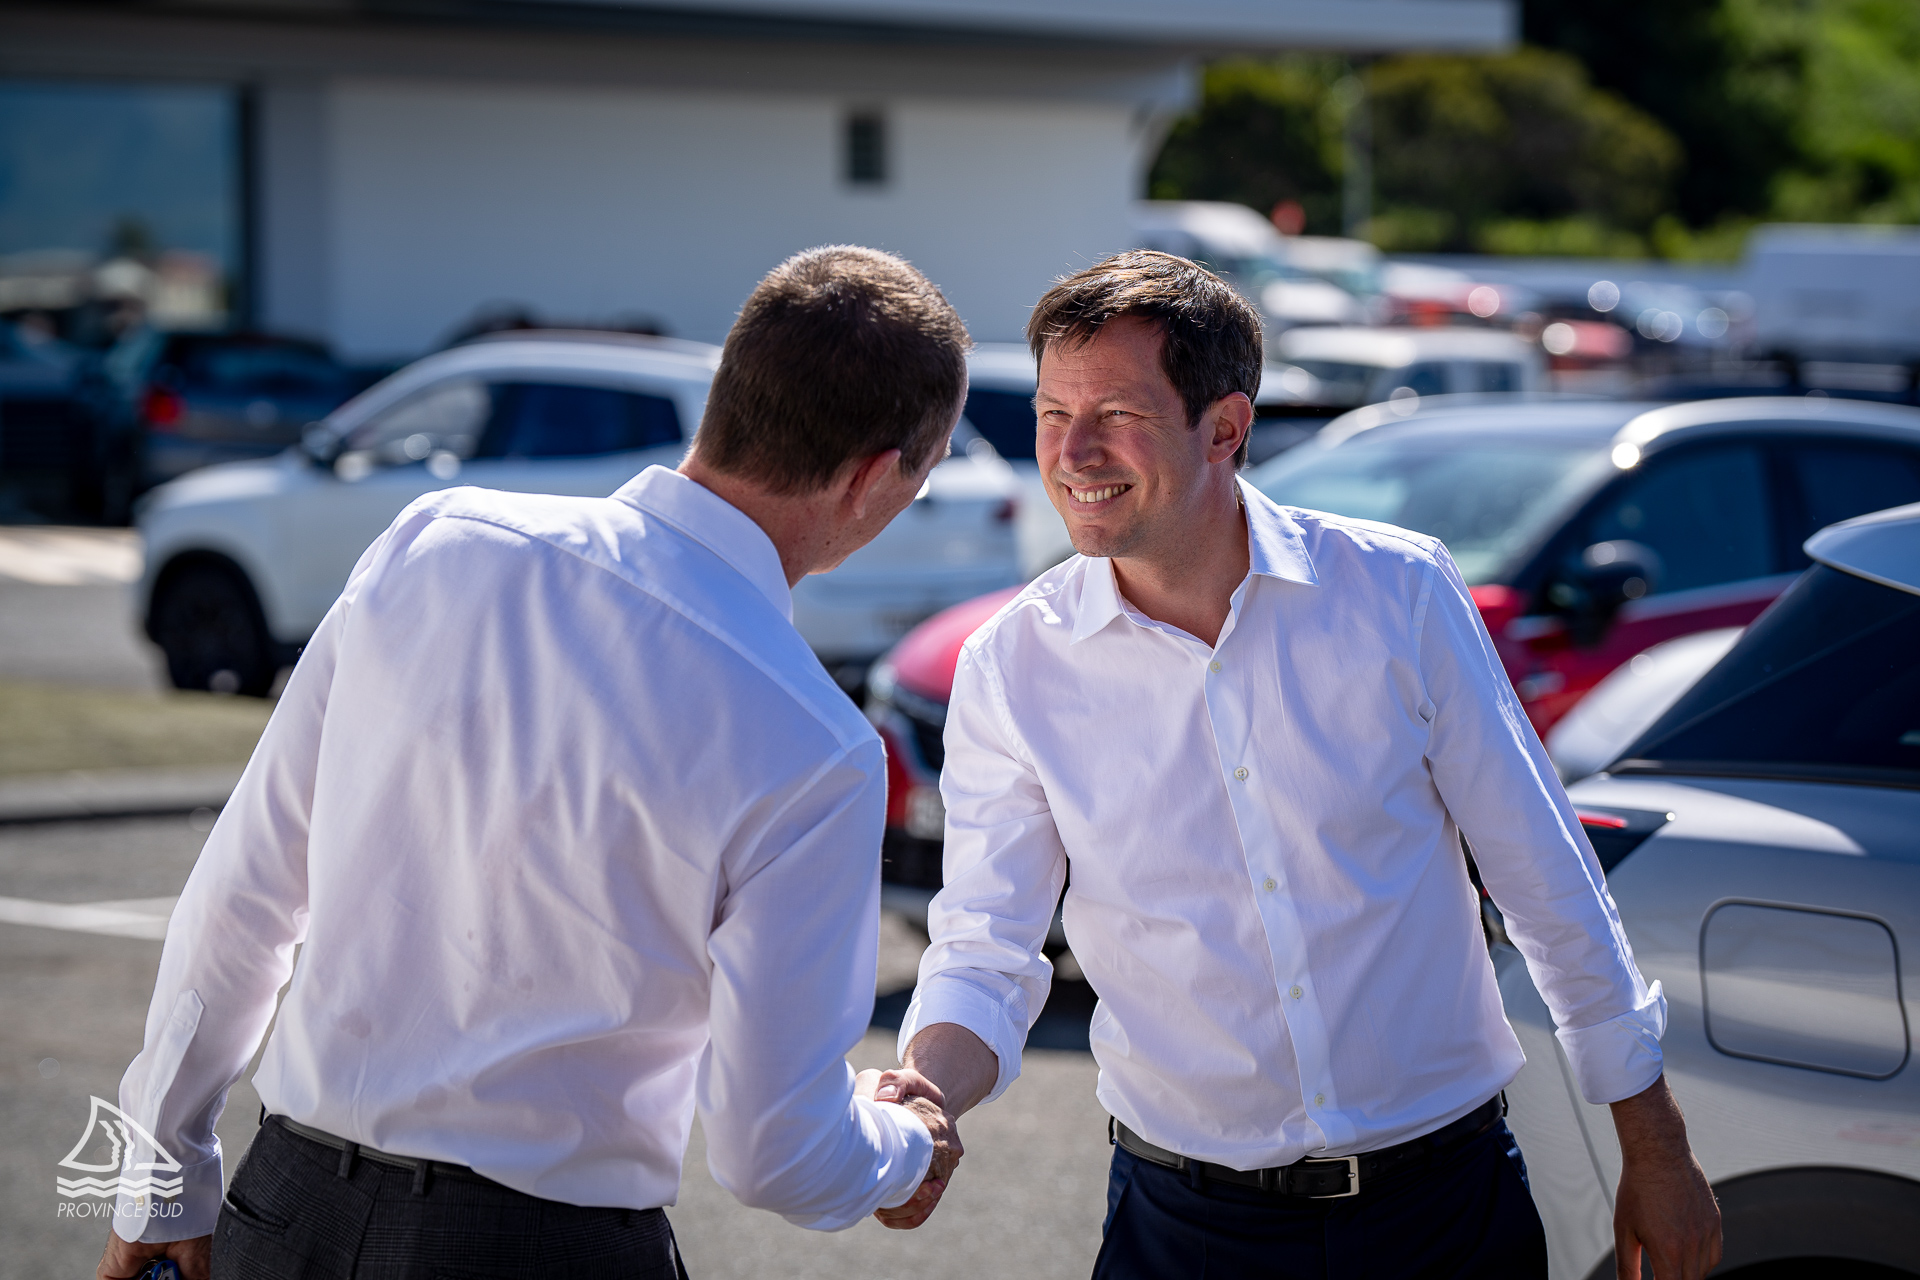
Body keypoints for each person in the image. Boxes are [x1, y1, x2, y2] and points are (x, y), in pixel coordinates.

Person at [98, 245, 965, 1280]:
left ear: (731, 391)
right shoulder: (817, 747)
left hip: (286, 1210)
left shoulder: (437, 540)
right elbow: (775, 1150)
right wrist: (902, 1144)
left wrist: (160, 1175)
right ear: (874, 475)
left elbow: (242, 893)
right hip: (545, 1248)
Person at [888, 251, 1723, 1277]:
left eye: (1118, 413)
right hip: (1182, 1230)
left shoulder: (1398, 594)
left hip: (1442, 1214)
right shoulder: (1011, 665)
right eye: (1054, 413)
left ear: (1226, 428)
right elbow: (985, 947)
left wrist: (1658, 1143)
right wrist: (926, 1088)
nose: (1073, 451)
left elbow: (1544, 878)